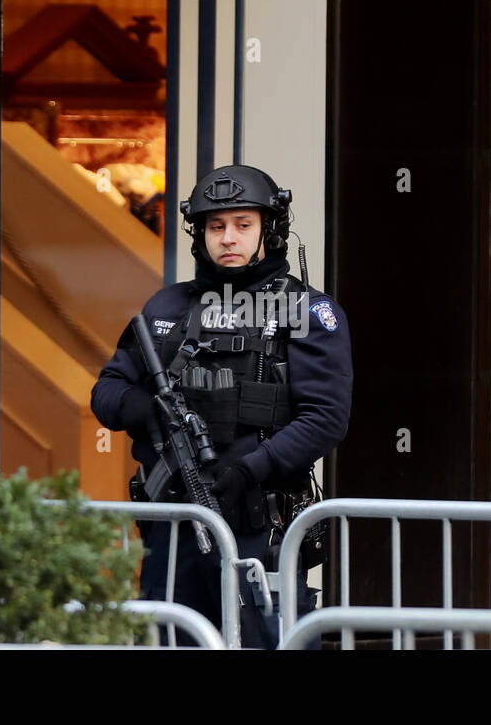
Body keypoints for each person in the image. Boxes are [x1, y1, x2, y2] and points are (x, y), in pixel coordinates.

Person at [92, 165, 353, 648]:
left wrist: (250, 471)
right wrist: (143, 409)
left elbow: (326, 418)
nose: (227, 238)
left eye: (242, 224)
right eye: (216, 226)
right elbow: (107, 390)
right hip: (172, 529)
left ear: (268, 230)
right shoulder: (167, 307)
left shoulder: (307, 312)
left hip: (260, 528)